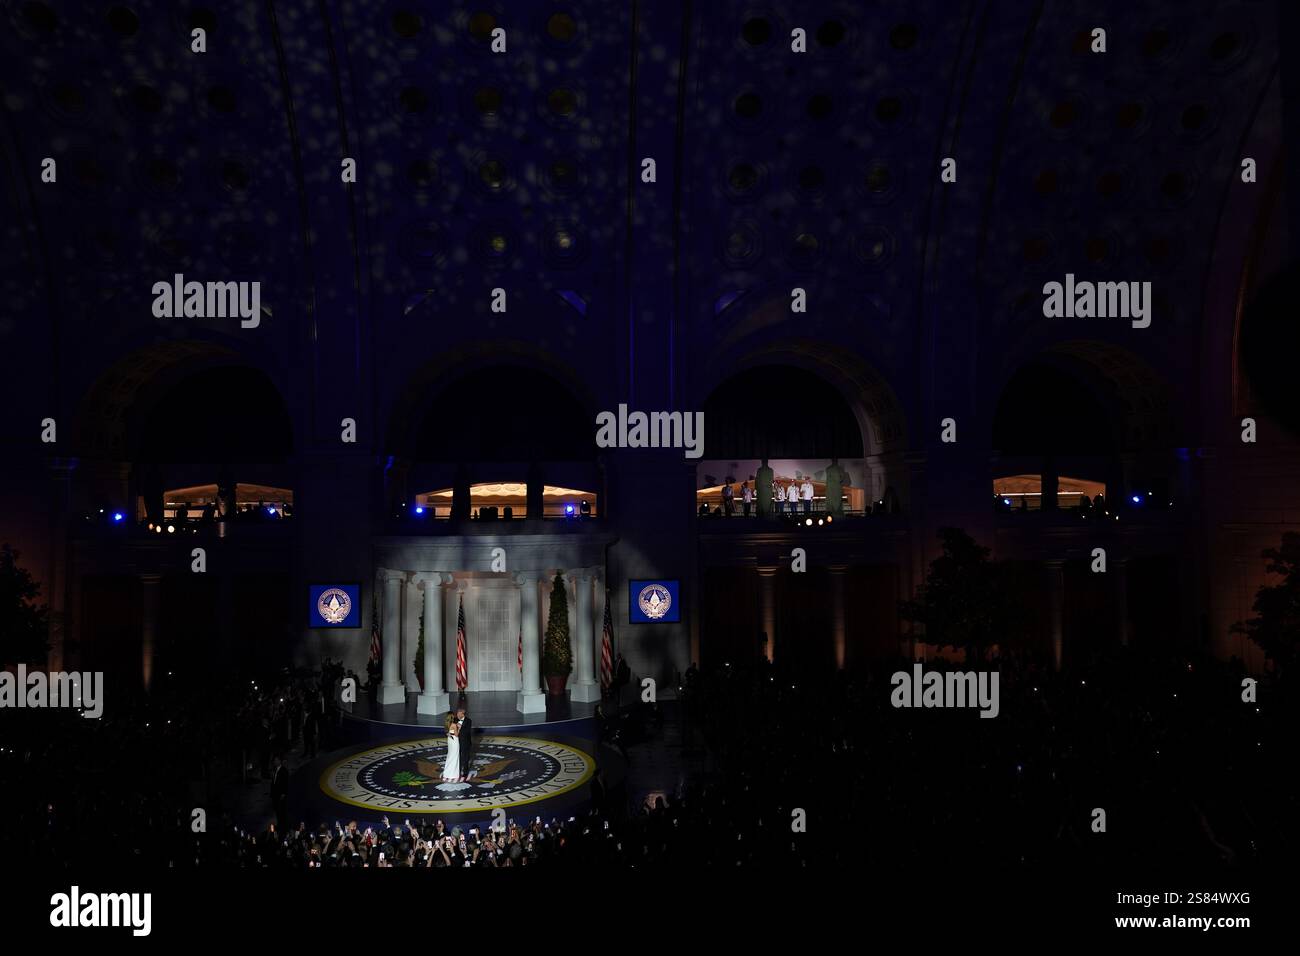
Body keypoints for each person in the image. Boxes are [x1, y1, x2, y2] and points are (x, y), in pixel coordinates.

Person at [455, 705, 475, 780]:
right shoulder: (455, 720)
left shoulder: (468, 721)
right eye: (457, 713)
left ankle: (465, 772)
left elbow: (467, 731)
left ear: (462, 714)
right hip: (457, 742)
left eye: (458, 713)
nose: (457, 714)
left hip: (465, 743)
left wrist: (460, 727)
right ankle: (458, 770)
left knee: (465, 758)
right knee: (458, 757)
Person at [441, 711, 460, 782]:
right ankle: (454, 775)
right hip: (454, 741)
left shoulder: (446, 724)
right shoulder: (454, 725)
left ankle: (446, 775)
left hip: (450, 740)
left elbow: (447, 733)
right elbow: (457, 734)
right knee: (455, 757)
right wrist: (459, 728)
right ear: (452, 717)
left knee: (450, 756)